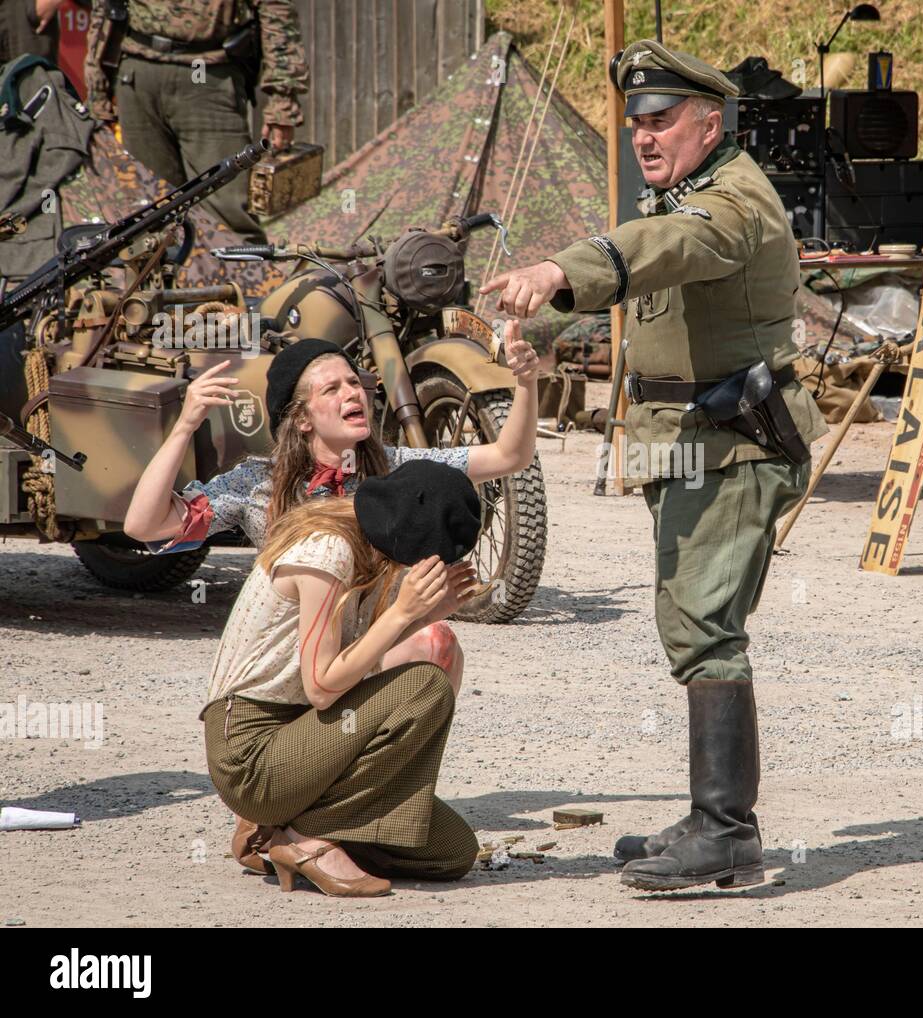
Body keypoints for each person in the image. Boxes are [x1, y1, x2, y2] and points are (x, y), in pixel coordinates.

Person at [482, 39, 828, 892]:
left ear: (710, 123)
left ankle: (726, 832)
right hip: (684, 438)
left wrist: (560, 266)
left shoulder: (732, 202)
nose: (642, 134)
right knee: (689, 620)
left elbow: (663, 249)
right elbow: (648, 283)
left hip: (733, 441)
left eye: (661, 118)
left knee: (705, 625)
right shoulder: (684, 193)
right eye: (635, 120)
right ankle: (712, 819)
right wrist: (546, 319)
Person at [124, 325, 539, 869]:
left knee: (436, 644)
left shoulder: (393, 471)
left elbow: (509, 455)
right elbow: (143, 524)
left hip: (357, 656)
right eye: (332, 389)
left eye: (356, 382)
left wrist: (527, 384)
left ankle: (349, 805)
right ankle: (289, 812)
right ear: (300, 417)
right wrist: (185, 425)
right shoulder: (260, 483)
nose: (353, 394)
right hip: (290, 677)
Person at [203, 460, 484, 896]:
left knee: (451, 851)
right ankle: (299, 836)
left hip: (301, 744)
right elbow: (321, 686)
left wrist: (427, 614)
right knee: (424, 686)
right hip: (252, 755)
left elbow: (356, 655)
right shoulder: (327, 551)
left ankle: (274, 831)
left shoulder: (364, 548)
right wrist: (405, 613)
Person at [83, 0, 309, 242]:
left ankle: (245, 278)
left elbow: (274, 7)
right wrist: (98, 87)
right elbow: (104, 7)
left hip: (207, 73)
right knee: (146, 217)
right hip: (137, 71)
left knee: (228, 217)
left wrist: (283, 100)